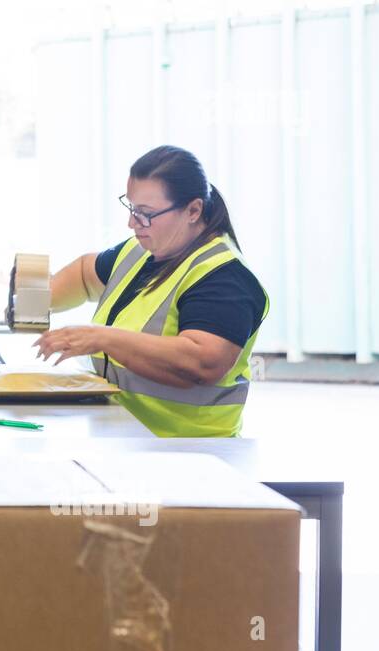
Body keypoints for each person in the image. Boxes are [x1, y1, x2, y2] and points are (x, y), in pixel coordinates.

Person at [38, 145, 268, 437]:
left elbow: (201, 363)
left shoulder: (224, 277)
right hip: (127, 435)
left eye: (145, 214)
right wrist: (32, 300)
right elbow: (86, 274)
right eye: (131, 208)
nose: (132, 223)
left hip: (188, 449)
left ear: (193, 210)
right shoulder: (141, 252)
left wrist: (102, 338)